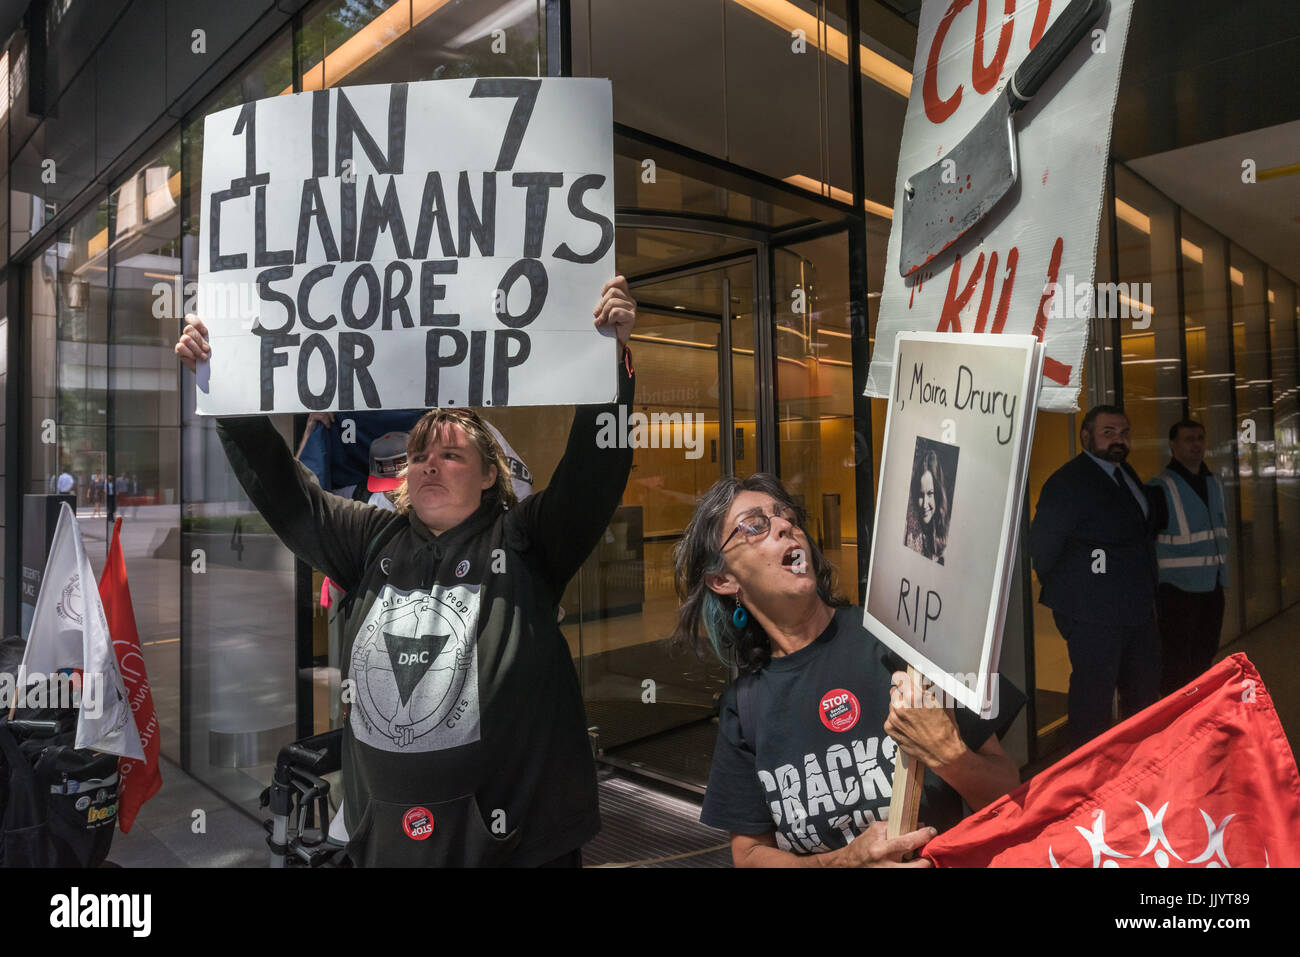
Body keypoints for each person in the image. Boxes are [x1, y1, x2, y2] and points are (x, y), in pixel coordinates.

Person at [175, 276, 638, 867]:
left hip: (515, 845)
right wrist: (230, 392)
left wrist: (609, 364)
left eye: (451, 454)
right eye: (418, 456)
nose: (430, 466)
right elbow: (292, 497)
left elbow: (592, 472)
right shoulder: (372, 538)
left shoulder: (526, 540)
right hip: (384, 843)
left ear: (489, 474)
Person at [676, 474, 1023, 867]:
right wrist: (846, 861)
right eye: (755, 525)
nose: (785, 525)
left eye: (785, 515)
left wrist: (947, 754)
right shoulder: (747, 706)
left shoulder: (902, 639)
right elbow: (750, 855)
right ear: (723, 580)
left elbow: (1010, 796)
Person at [1029, 405, 1166, 751]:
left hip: (1137, 611)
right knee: (1093, 701)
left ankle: (1137, 770)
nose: (1118, 440)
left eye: (1123, 433)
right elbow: (1043, 549)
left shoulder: (1125, 472)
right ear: (1086, 436)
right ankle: (1087, 781)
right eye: (1108, 432)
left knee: (1142, 694)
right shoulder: (1067, 482)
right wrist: (1075, 603)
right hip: (1092, 615)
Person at [1147, 419, 1229, 695]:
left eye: (1199, 438)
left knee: (1203, 657)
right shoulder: (1160, 486)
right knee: (1176, 664)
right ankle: (1175, 722)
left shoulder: (1214, 482)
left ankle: (1197, 715)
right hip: (1177, 591)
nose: (1196, 444)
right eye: (1188, 439)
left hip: (1212, 587)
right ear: (1173, 446)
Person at [904, 448, 949, 564]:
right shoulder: (907, 530)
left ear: (938, 495)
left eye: (930, 493)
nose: (924, 504)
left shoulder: (945, 537)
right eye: (920, 494)